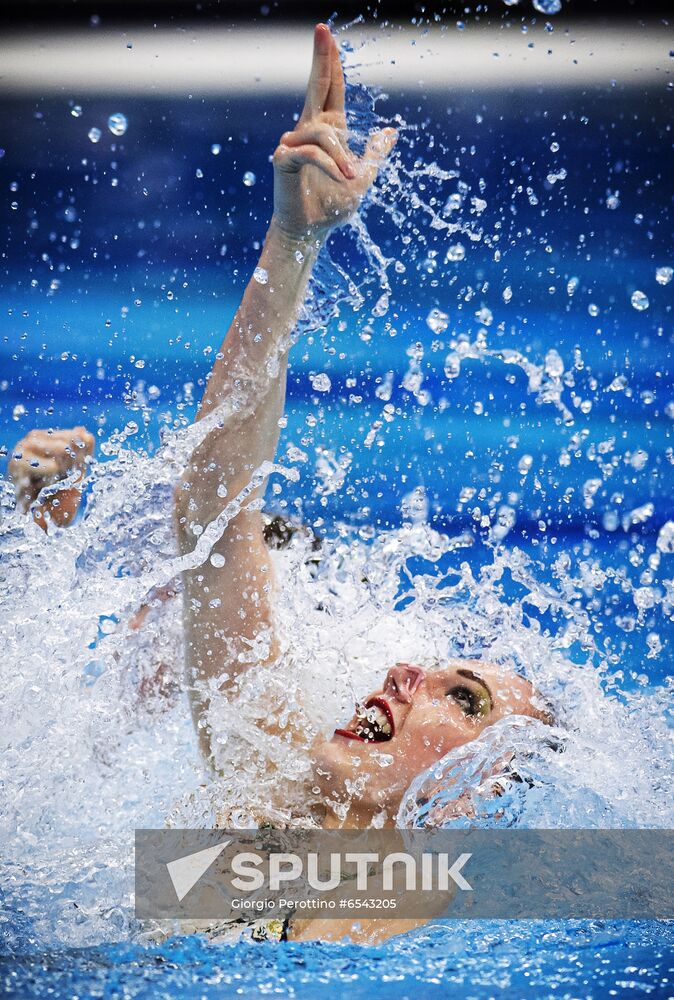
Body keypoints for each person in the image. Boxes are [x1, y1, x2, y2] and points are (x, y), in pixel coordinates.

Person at [8, 24, 553, 943]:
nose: (408, 672)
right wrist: (293, 238)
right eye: (433, 670)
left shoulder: (410, 900)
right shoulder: (269, 784)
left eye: (464, 700)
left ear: (478, 796)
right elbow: (217, 509)